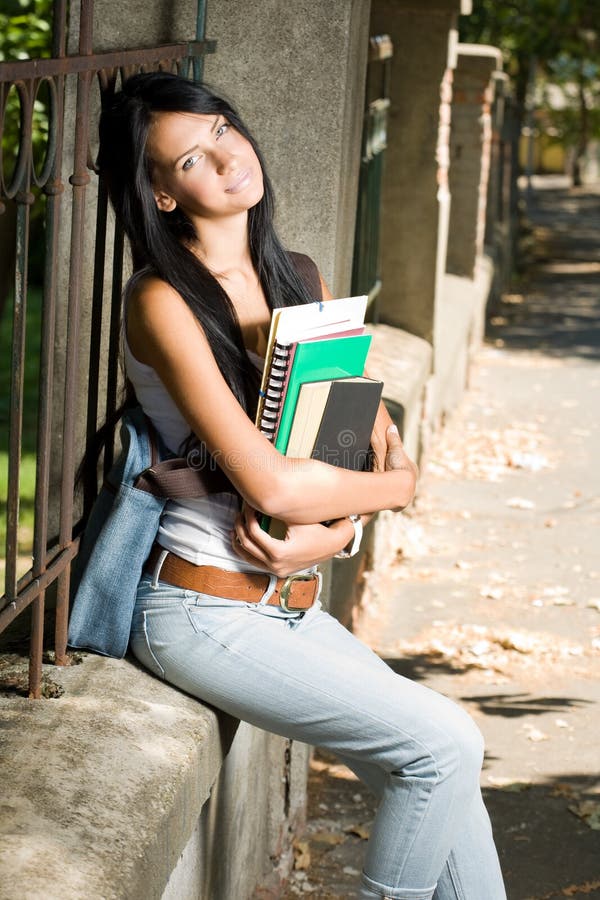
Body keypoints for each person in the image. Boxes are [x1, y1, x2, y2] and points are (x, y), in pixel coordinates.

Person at [94, 71, 506, 900]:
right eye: (190, 161)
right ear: (162, 195)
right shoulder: (164, 301)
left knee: (443, 774)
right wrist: (399, 487)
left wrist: (336, 532)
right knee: (443, 746)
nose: (225, 159)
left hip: (287, 601)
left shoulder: (302, 279)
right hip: (200, 608)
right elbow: (279, 486)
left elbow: (346, 454)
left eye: (222, 133)